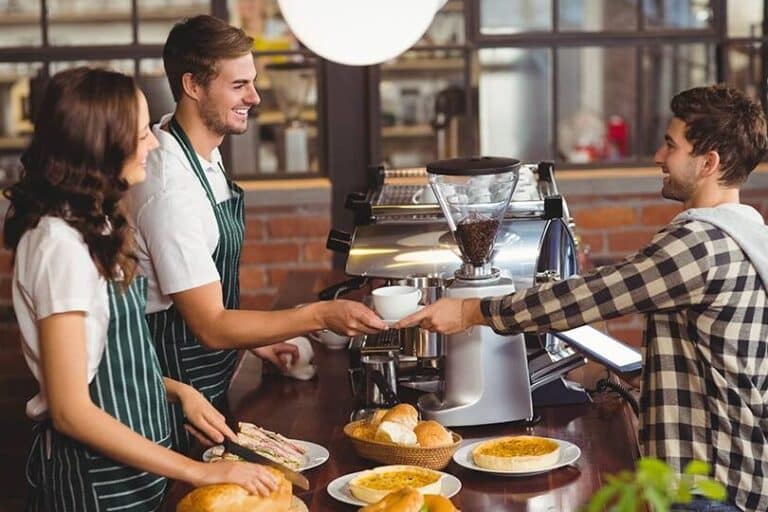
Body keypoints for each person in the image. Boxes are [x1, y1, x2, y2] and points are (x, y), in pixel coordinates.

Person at [397, 85, 768, 512]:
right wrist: (657, 375)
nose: (658, 157)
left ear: (709, 162)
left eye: (671, 145)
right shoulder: (746, 233)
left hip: (707, 490)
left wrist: (470, 310)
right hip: (732, 477)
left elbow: (590, 296)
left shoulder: (700, 243)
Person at [4, 67, 279, 511]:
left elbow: (108, 359)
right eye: (139, 134)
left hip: (138, 467)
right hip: (95, 481)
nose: (153, 142)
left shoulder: (97, 224)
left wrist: (176, 391)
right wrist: (198, 471)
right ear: (101, 146)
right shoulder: (57, 247)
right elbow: (70, 409)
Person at [128, 15, 385, 455]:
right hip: (172, 403)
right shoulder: (170, 189)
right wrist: (320, 315)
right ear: (193, 85)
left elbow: (205, 291)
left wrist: (259, 341)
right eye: (239, 85)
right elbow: (210, 325)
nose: (255, 96)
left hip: (210, 379)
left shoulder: (201, 153)